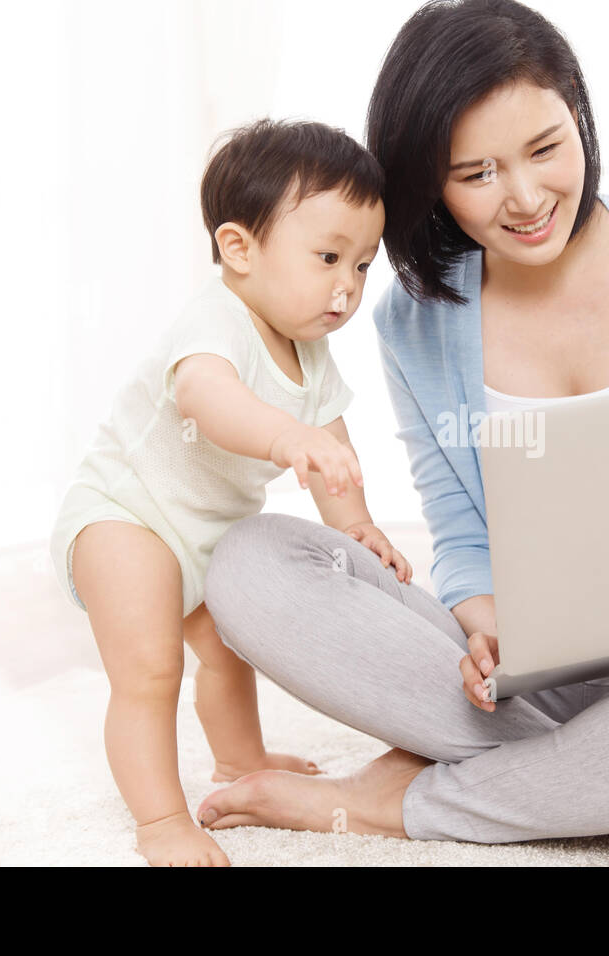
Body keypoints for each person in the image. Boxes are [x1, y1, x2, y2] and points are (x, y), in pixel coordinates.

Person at [197, 0, 609, 866]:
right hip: (531, 673)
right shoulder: (415, 321)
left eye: (547, 147)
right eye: (477, 173)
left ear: (580, 116)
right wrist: (486, 623)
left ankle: (404, 801)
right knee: (250, 564)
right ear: (427, 182)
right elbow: (461, 532)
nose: (528, 197)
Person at [48, 118, 408, 866]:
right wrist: (284, 438)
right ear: (239, 249)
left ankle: (241, 761)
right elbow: (203, 399)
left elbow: (332, 442)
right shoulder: (217, 318)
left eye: (364, 265)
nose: (347, 285)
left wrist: (357, 523)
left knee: (227, 648)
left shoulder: (310, 347)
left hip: (205, 534)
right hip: (125, 515)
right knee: (151, 669)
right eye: (329, 256)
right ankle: (160, 823)